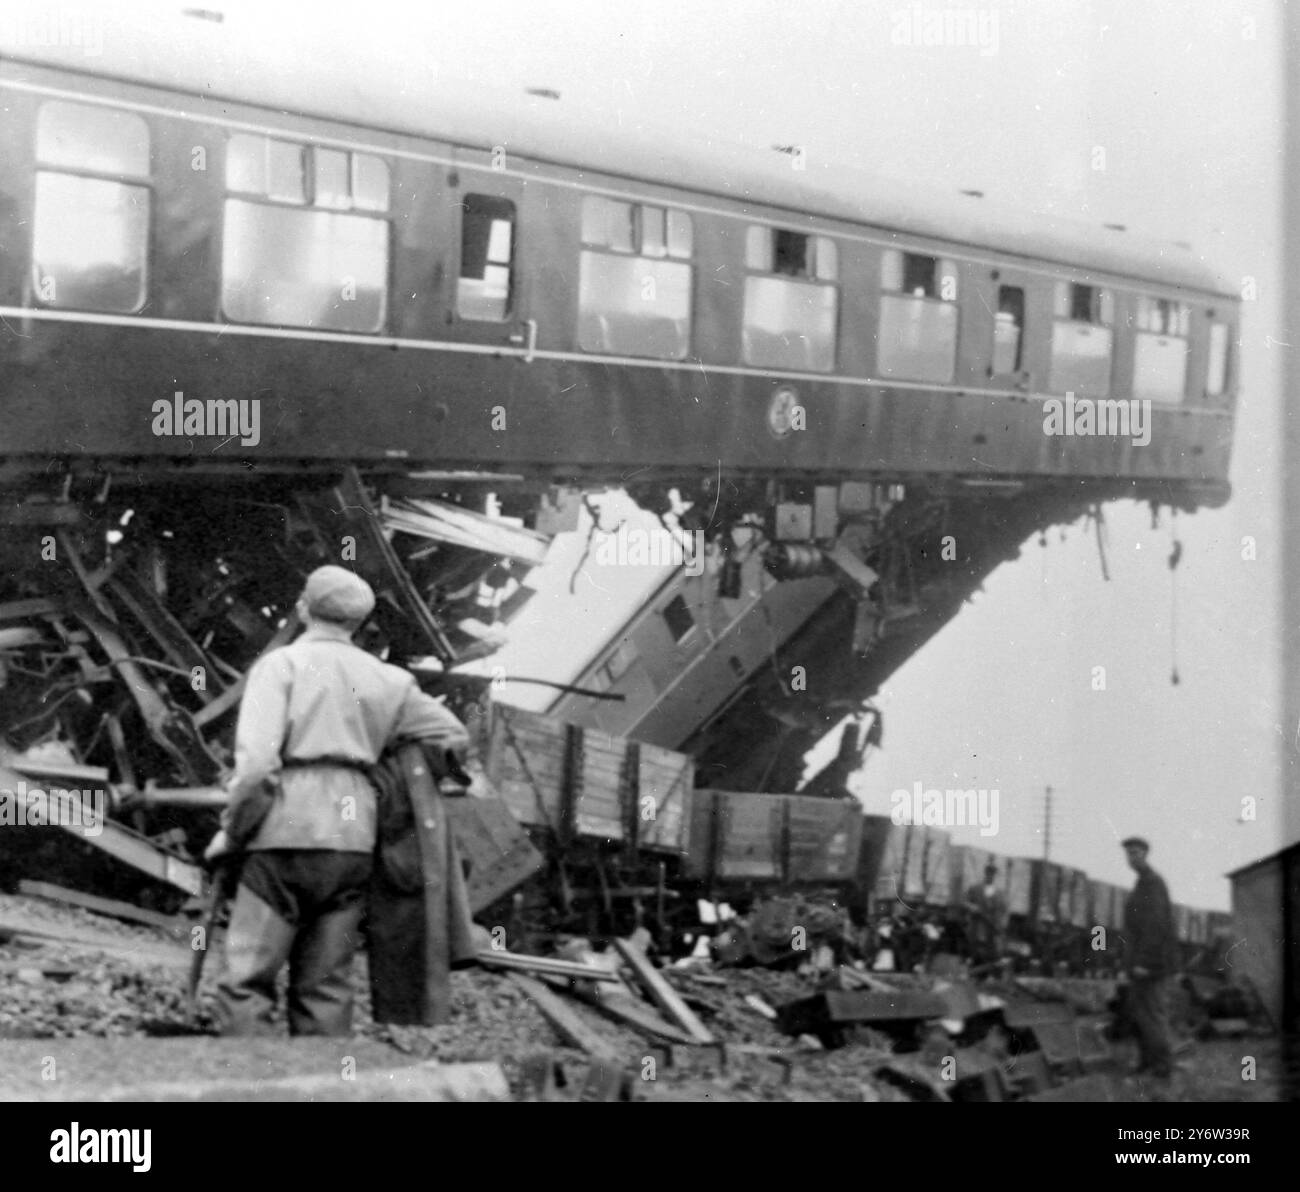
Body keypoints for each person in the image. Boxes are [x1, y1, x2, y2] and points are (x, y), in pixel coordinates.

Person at [205, 565, 469, 1037]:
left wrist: (231, 833)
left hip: (282, 835)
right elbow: (451, 737)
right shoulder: (391, 681)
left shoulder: (280, 666)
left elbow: (257, 771)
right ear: (359, 623)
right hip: (353, 844)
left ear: (304, 608)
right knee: (326, 988)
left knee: (247, 980)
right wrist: (378, 782)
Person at [1120, 836, 1179, 1078]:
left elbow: (1156, 926)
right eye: (1129, 853)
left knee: (1153, 1015)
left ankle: (1163, 1068)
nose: (1131, 858)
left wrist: (1145, 962)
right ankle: (1146, 1062)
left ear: (1146, 854)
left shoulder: (1153, 883)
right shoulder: (1141, 884)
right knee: (1140, 1015)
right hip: (1139, 964)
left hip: (1151, 965)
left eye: (1136, 853)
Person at [963, 862, 1007, 965]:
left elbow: (1004, 910)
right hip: (977, 924)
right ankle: (974, 971)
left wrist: (1002, 924)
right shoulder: (975, 888)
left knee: (992, 950)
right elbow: (964, 901)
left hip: (992, 926)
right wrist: (971, 907)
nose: (991, 876)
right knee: (976, 949)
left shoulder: (999, 893)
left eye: (993, 874)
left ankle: (987, 973)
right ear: (985, 873)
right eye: (989, 873)